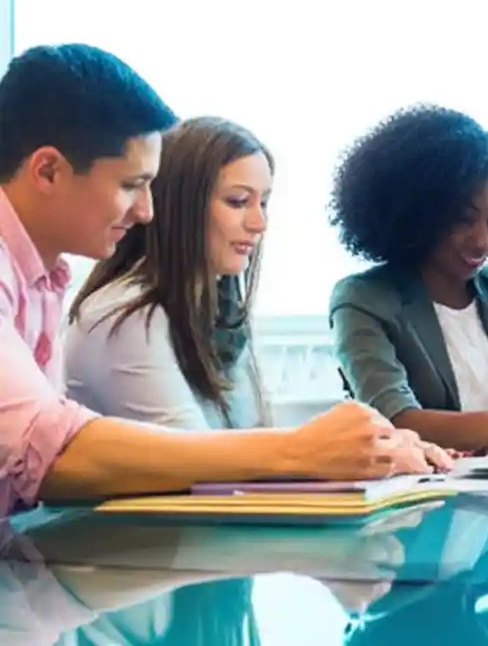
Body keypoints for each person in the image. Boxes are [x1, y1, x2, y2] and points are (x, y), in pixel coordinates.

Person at [0, 43, 445, 517]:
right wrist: (308, 452)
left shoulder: (44, 282)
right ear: (47, 171)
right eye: (130, 185)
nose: (147, 210)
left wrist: (361, 445)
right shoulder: (120, 310)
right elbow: (50, 453)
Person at [328, 104, 488, 456]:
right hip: (412, 499)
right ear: (420, 213)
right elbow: (396, 421)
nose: (483, 241)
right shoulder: (363, 299)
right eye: (464, 220)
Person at [64, 117, 275, 430]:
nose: (259, 223)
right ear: (181, 205)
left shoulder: (222, 312)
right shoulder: (125, 317)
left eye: (265, 202)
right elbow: (199, 465)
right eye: (238, 201)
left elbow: (258, 441)